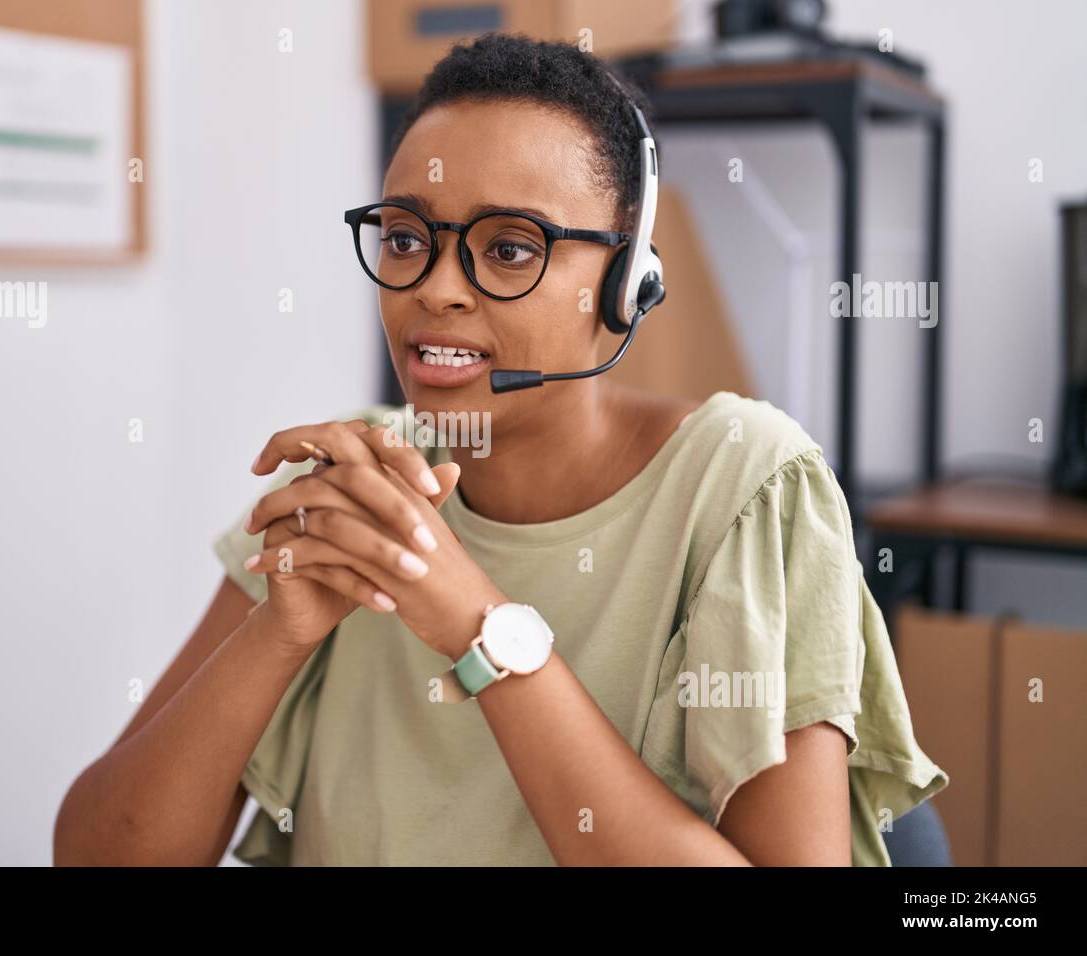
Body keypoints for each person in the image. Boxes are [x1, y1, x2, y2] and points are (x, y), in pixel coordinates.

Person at [54, 33, 946, 867]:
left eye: (510, 248)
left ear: (625, 285)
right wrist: (278, 629)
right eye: (406, 238)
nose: (436, 290)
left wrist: (480, 628)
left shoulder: (746, 487)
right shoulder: (346, 486)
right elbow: (94, 853)